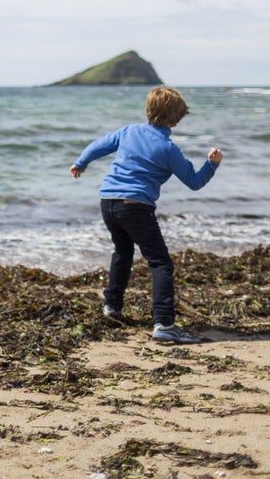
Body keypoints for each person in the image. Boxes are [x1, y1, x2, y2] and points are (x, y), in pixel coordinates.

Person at [69, 86, 223, 344]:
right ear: (176, 118)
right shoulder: (168, 148)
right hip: (135, 206)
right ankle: (164, 323)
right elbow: (195, 182)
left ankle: (112, 306)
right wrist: (212, 164)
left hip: (107, 201)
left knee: (122, 251)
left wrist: (80, 163)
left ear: (148, 109)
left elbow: (98, 146)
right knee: (160, 263)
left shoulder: (129, 131)